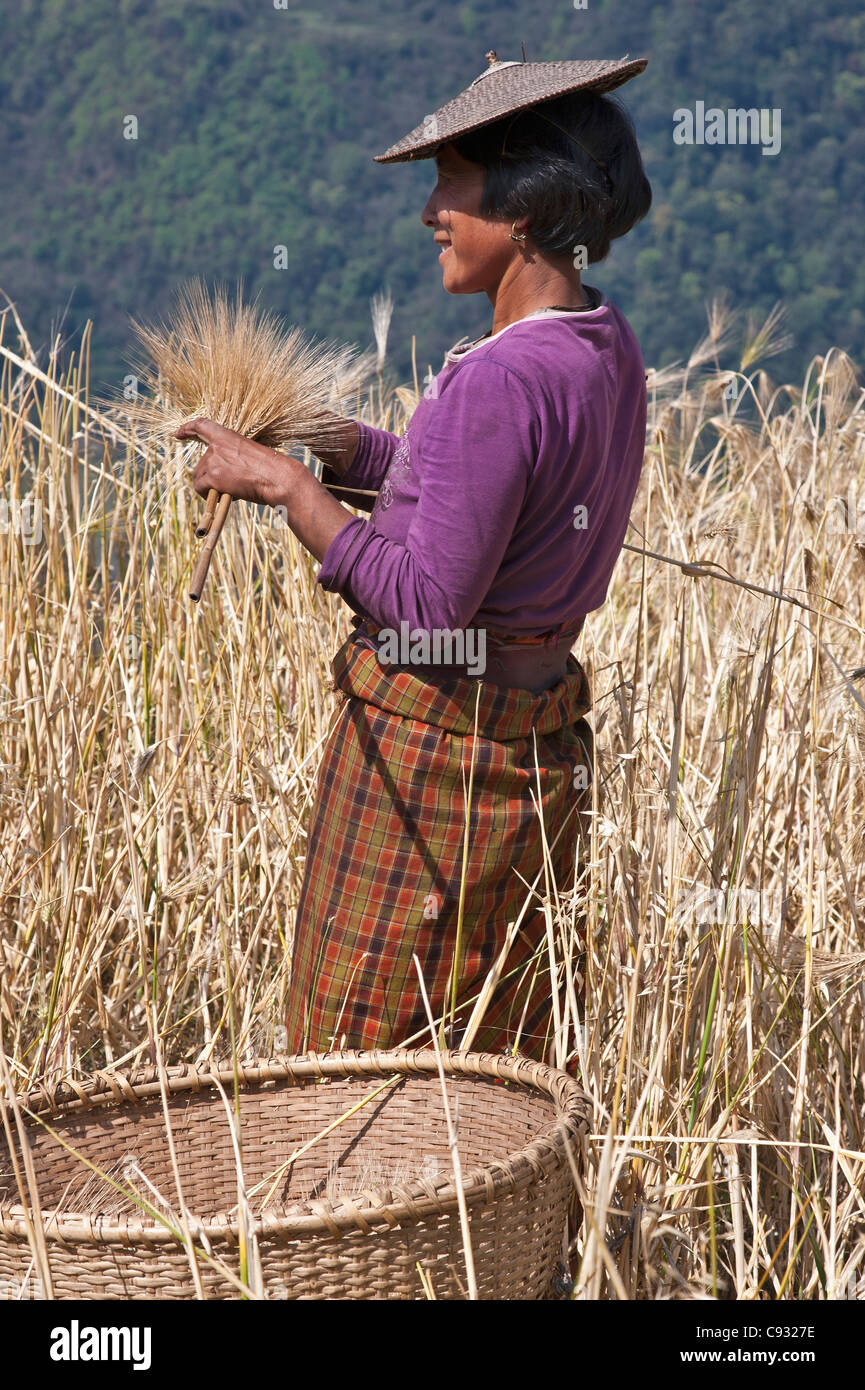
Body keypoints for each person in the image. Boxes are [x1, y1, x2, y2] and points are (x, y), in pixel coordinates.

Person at [178, 53, 651, 1068]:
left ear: (520, 209)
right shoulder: (600, 344)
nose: (431, 210)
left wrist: (287, 491)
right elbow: (461, 496)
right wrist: (323, 442)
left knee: (356, 1062)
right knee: (493, 1072)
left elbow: (428, 601)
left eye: (451, 182)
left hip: (436, 750)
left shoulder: (496, 380)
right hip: (534, 747)